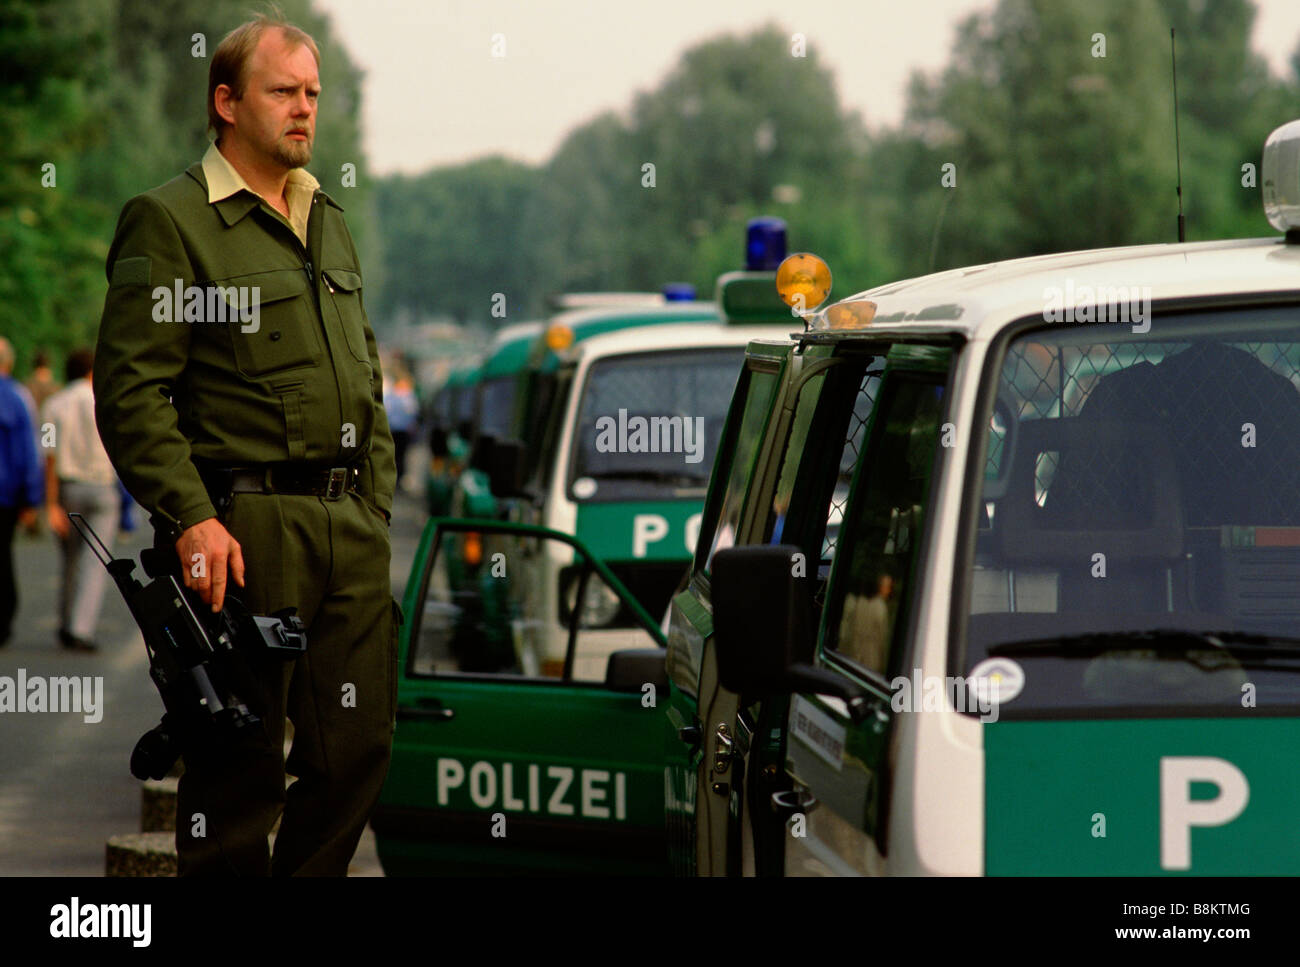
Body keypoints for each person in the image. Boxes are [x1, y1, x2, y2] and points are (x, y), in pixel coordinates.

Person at [93, 12, 397, 876]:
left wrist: (373, 501)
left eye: (312, 93)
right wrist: (189, 516)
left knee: (357, 754)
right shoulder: (171, 220)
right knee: (238, 777)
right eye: (282, 91)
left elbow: (365, 370)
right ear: (226, 101)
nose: (304, 109)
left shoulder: (325, 217)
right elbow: (131, 390)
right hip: (242, 532)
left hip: (349, 526)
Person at [41, 348, 121, 652]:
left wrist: (49, 504)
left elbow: (47, 455)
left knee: (70, 559)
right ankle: (80, 627)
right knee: (93, 562)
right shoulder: (105, 403)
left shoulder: (52, 405)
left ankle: (65, 621)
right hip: (102, 488)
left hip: (67, 489)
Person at [0, 337, 43, 648]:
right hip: (6, 495)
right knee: (3, 556)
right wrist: (32, 497)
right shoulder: (16, 398)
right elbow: (28, 451)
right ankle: (3, 619)